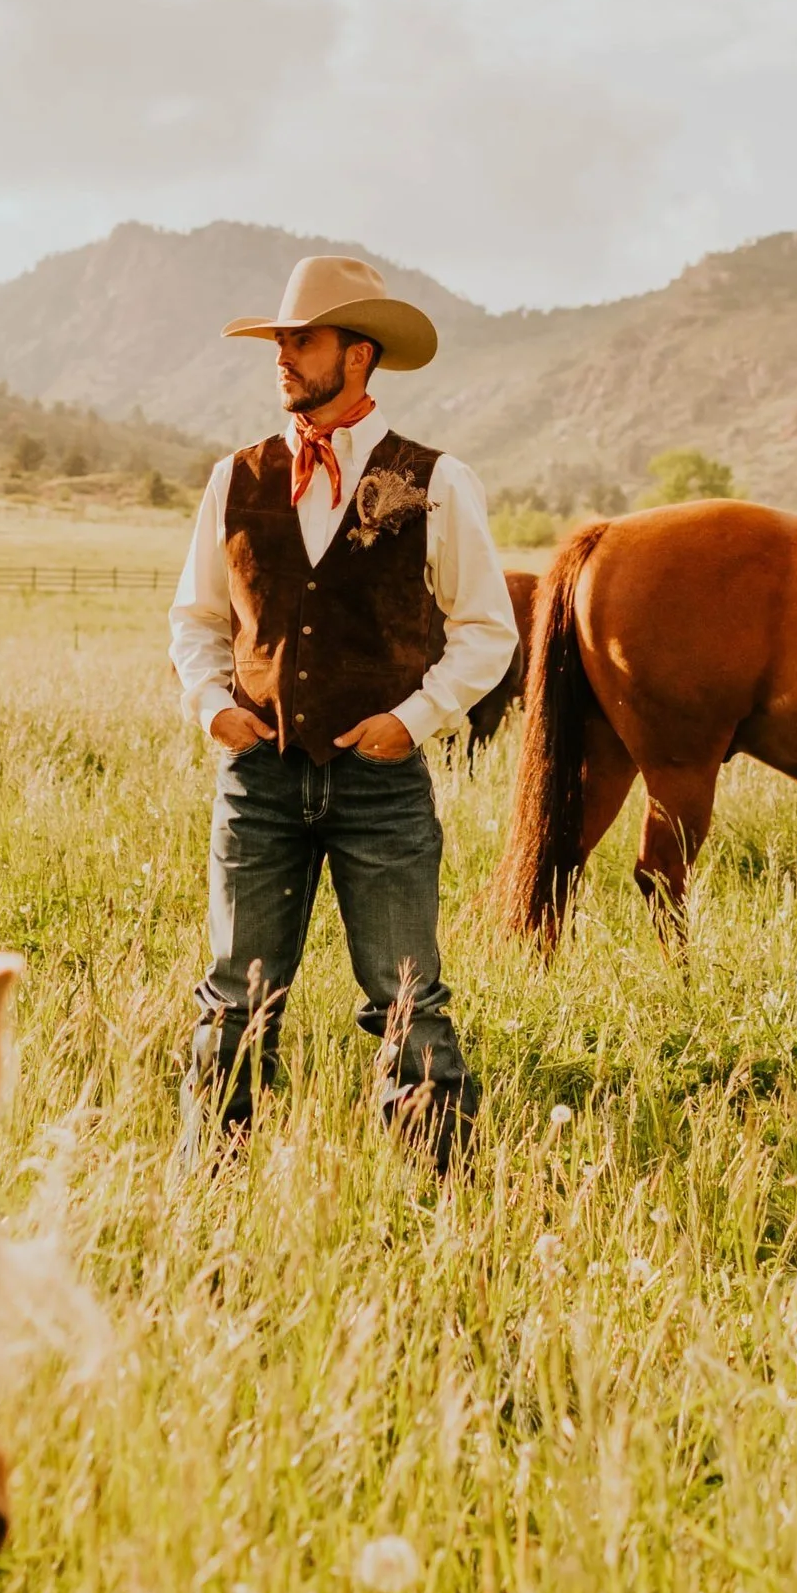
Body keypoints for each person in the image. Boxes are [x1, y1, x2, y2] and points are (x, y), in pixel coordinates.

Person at [169, 253, 520, 1162]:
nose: (283, 356)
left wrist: (414, 718)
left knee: (408, 997)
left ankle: (436, 1192)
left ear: (358, 355)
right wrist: (214, 707)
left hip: (381, 785)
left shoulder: (437, 481)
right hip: (259, 779)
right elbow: (198, 619)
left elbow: (488, 629)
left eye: (303, 339)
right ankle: (212, 1183)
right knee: (236, 995)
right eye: (280, 339)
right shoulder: (235, 479)